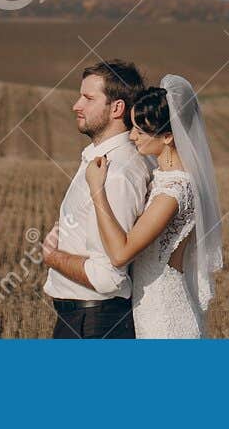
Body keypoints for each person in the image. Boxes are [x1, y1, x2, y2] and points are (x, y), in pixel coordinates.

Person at [84, 75, 223, 338]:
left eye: (140, 129)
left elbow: (120, 253)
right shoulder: (163, 178)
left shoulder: (174, 192)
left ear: (168, 136)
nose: (132, 136)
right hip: (151, 313)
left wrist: (97, 190)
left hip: (166, 321)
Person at [40, 59, 150, 338]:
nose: (77, 105)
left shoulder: (117, 173)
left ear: (116, 108)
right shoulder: (101, 160)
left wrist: (54, 257)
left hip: (94, 324)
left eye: (88, 98)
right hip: (85, 319)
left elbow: (108, 277)